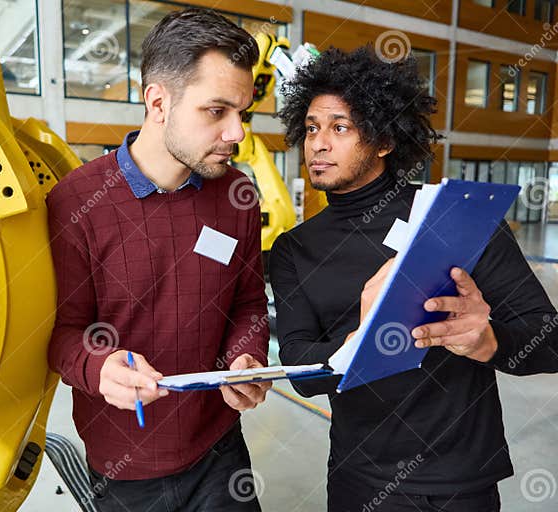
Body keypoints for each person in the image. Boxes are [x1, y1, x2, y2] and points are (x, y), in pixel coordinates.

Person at [271, 45, 558, 512]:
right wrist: (360, 339)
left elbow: (550, 337)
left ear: (384, 141)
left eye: (340, 127)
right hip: (359, 480)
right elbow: (301, 369)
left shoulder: (456, 218)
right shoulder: (294, 249)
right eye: (311, 128)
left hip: (461, 481)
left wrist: (488, 341)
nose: (318, 143)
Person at [47, 8, 270, 511]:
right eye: (216, 111)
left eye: (242, 112)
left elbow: (250, 301)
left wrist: (245, 356)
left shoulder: (237, 194)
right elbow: (61, 333)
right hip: (125, 462)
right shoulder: (77, 202)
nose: (236, 133)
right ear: (158, 102)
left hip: (219, 450)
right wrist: (98, 367)